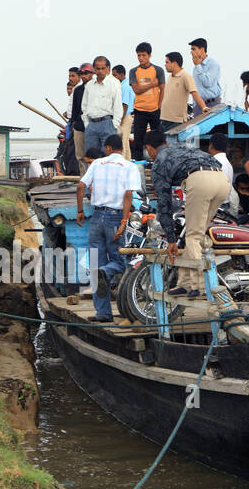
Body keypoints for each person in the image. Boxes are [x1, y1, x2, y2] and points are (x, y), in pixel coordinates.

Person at [145, 130, 230, 299]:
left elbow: (164, 203)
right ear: (166, 143)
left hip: (200, 181)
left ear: (149, 148)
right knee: (195, 234)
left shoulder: (159, 162)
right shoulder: (180, 147)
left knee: (192, 235)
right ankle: (183, 283)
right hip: (222, 180)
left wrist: (170, 239)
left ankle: (199, 286)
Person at [76, 134, 141, 322]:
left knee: (96, 265)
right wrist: (124, 222)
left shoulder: (97, 164)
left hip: (96, 217)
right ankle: (107, 273)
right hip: (115, 218)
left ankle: (103, 313)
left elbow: (80, 186)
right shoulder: (130, 166)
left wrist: (80, 211)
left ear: (108, 148)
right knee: (120, 262)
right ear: (121, 148)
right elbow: (128, 194)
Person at [81, 57, 122, 160]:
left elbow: (118, 105)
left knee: (109, 157)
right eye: (98, 69)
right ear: (94, 69)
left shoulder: (114, 84)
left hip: (107, 123)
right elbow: (84, 106)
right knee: (90, 157)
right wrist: (87, 124)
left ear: (108, 68)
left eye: (103, 68)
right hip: (91, 125)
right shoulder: (89, 85)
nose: (100, 71)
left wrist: (114, 124)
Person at [129, 43, 164, 163]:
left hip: (154, 109)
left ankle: (159, 161)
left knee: (157, 139)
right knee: (138, 139)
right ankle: (139, 163)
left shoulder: (158, 70)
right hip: (139, 110)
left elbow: (163, 89)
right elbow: (137, 90)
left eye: (143, 55)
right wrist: (153, 84)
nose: (141, 58)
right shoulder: (133, 71)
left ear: (149, 55)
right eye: (139, 55)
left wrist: (159, 107)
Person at [160, 52, 206, 130]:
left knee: (174, 142)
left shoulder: (185, 76)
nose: (165, 65)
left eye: (167, 62)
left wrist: (204, 107)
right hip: (164, 119)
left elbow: (194, 93)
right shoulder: (170, 77)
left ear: (174, 63)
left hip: (176, 121)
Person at [206, 133, 240, 212]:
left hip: (216, 206)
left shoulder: (214, 162)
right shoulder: (228, 164)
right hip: (224, 205)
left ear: (211, 145)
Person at [189, 38, 222, 113]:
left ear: (202, 49)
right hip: (198, 106)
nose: (191, 52)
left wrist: (197, 65)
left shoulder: (213, 64)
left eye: (194, 49)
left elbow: (207, 83)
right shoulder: (196, 67)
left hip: (212, 104)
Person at [70, 63, 92, 164]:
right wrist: (74, 123)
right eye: (81, 74)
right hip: (79, 126)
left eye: (86, 73)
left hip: (93, 125)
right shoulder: (78, 90)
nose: (83, 76)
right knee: (80, 155)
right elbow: (75, 109)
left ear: (92, 74)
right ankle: (83, 178)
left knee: (92, 154)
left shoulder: (96, 88)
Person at [112, 64, 135, 158]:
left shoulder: (125, 86)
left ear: (121, 75)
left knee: (122, 141)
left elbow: (124, 104)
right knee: (125, 141)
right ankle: (127, 160)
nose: (113, 77)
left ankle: (123, 161)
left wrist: (120, 119)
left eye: (115, 75)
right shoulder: (121, 85)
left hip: (124, 116)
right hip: (124, 116)